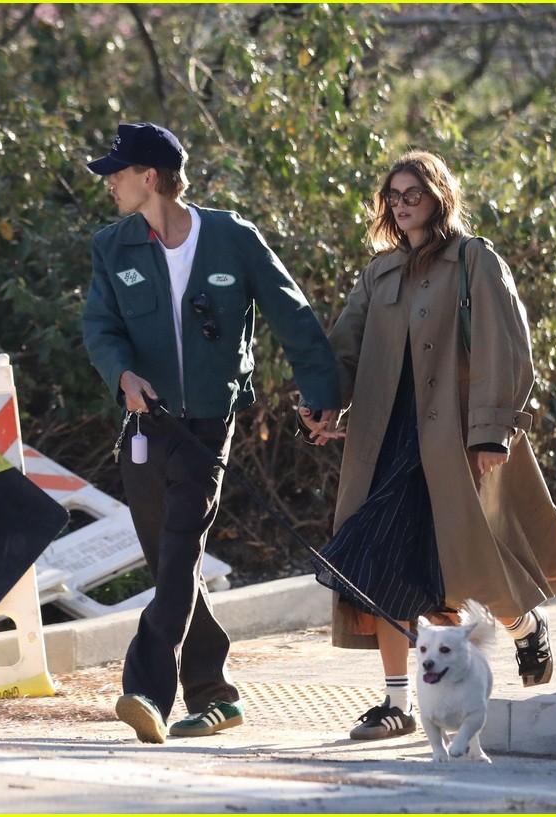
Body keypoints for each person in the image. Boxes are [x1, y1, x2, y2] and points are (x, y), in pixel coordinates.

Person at [300, 150, 556, 741]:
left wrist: (490, 432)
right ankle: (398, 702)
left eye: (413, 194)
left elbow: (504, 348)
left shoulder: (473, 260)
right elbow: (344, 349)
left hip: (450, 438)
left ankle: (524, 625)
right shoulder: (378, 272)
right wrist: (322, 403)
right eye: (393, 197)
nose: (402, 206)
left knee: (466, 566)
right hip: (384, 442)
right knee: (382, 565)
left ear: (439, 196)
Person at [82, 122, 342, 744]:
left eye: (118, 172)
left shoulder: (231, 238)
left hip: (207, 422)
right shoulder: (112, 246)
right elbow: (100, 326)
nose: (109, 182)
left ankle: (145, 688)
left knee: (178, 546)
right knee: (171, 558)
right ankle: (216, 695)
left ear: (151, 178)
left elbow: (294, 317)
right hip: (145, 422)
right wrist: (122, 377)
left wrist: (321, 397)